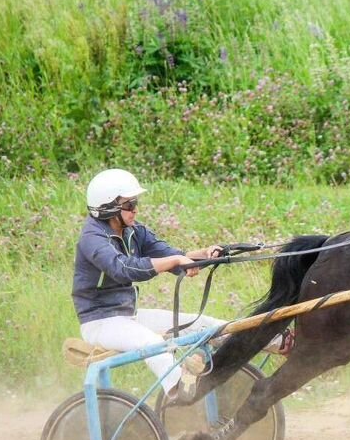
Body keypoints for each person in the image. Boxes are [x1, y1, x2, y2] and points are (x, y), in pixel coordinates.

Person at [71, 168, 290, 404]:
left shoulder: (134, 231)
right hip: (100, 322)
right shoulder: (93, 238)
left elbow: (175, 256)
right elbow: (124, 268)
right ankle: (180, 392)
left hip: (128, 316)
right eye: (129, 205)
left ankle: (279, 342)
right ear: (108, 208)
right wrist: (176, 261)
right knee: (153, 344)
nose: (135, 210)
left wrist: (205, 255)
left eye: (135, 203)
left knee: (204, 325)